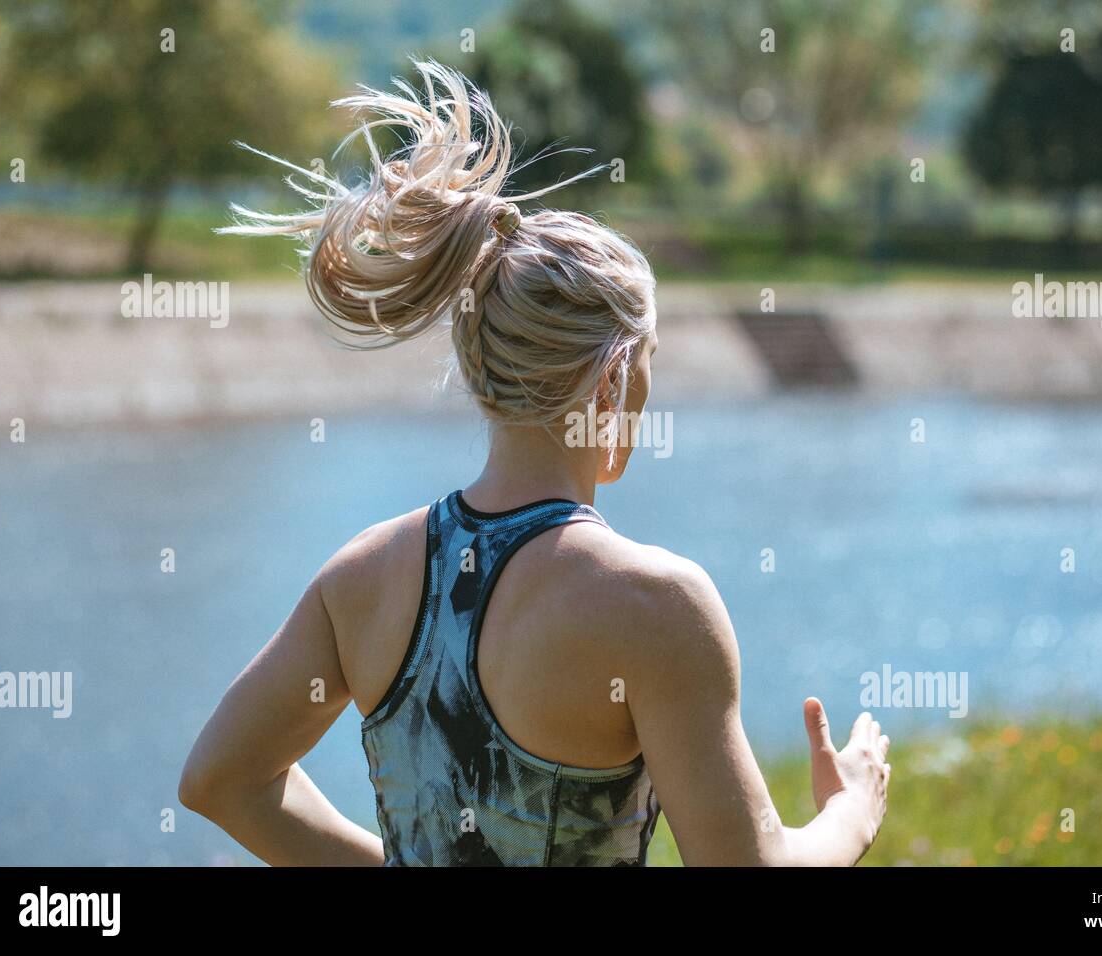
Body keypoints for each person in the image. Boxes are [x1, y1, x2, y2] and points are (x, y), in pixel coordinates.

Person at [179, 61, 890, 866]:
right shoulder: (657, 606)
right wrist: (852, 811)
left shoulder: (361, 576)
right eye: (650, 366)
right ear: (615, 375)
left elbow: (221, 780)